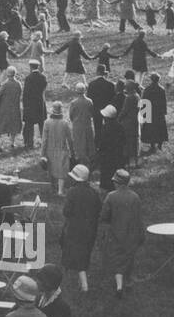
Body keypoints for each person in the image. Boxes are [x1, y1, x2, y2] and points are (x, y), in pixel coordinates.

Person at [100, 169, 144, 298]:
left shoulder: (111, 196)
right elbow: (139, 218)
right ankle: (129, 282)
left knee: (117, 259)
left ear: (117, 183)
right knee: (129, 258)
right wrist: (140, 235)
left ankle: (119, 286)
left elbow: (104, 216)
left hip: (116, 233)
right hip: (132, 235)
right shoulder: (135, 197)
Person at [59, 165, 100, 292]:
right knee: (84, 253)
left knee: (75, 254)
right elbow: (99, 210)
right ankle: (76, 279)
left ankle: (83, 285)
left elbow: (66, 211)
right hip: (90, 229)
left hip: (74, 229)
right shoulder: (94, 192)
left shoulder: (72, 192)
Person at [41, 103, 75, 189]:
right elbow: (70, 139)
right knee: (62, 170)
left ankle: (52, 187)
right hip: (62, 149)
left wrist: (42, 153)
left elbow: (44, 140)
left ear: (52, 110)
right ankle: (60, 190)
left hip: (50, 149)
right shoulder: (65, 123)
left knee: (51, 168)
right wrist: (72, 152)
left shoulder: (47, 122)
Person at [0, 66, 23, 149]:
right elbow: (20, 94)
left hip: (5, 107)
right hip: (15, 107)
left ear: (7, 74)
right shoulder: (18, 84)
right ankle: (12, 143)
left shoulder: (5, 84)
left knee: (1, 124)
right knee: (14, 125)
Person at [96, 105, 124, 190]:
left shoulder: (105, 127)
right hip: (118, 153)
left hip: (107, 153)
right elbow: (124, 140)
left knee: (106, 171)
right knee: (116, 169)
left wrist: (99, 149)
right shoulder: (120, 126)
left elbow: (102, 141)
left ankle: (106, 185)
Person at [68, 82, 96, 167]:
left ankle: (80, 161)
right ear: (85, 91)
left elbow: (71, 115)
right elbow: (92, 113)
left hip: (77, 125)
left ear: (76, 91)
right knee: (88, 143)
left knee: (78, 144)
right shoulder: (89, 101)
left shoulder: (73, 103)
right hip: (87, 124)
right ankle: (89, 161)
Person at [21, 60, 48, 149]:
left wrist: (25, 105)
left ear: (30, 67)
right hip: (40, 103)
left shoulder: (29, 78)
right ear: (38, 66)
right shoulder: (43, 77)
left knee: (29, 125)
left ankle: (29, 143)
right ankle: (44, 142)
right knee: (42, 124)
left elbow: (26, 93)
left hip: (31, 104)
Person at [140, 73, 168, 155]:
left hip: (150, 111)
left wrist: (143, 112)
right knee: (160, 128)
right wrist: (164, 111)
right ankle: (160, 144)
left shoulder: (147, 89)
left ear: (151, 79)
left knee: (150, 128)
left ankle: (152, 145)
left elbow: (144, 101)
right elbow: (164, 101)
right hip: (159, 112)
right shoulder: (161, 89)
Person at [87, 65, 116, 138]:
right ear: (104, 72)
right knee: (108, 129)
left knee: (97, 129)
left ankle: (98, 145)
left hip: (96, 110)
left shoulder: (91, 84)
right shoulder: (110, 84)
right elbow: (113, 98)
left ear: (97, 72)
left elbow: (89, 99)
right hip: (107, 109)